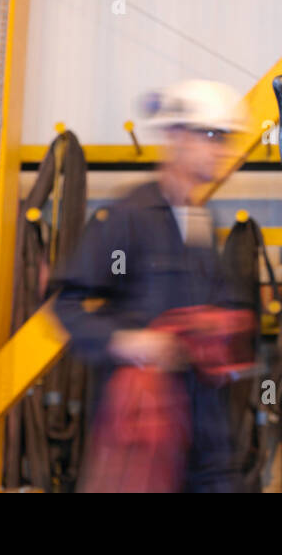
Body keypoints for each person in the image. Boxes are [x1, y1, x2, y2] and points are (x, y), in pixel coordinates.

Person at [51, 79, 252, 493]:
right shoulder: (128, 218)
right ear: (176, 137)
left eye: (225, 139)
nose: (221, 149)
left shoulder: (201, 220)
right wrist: (127, 342)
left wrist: (224, 324)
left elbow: (218, 304)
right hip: (146, 433)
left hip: (206, 433)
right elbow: (66, 304)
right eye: (211, 136)